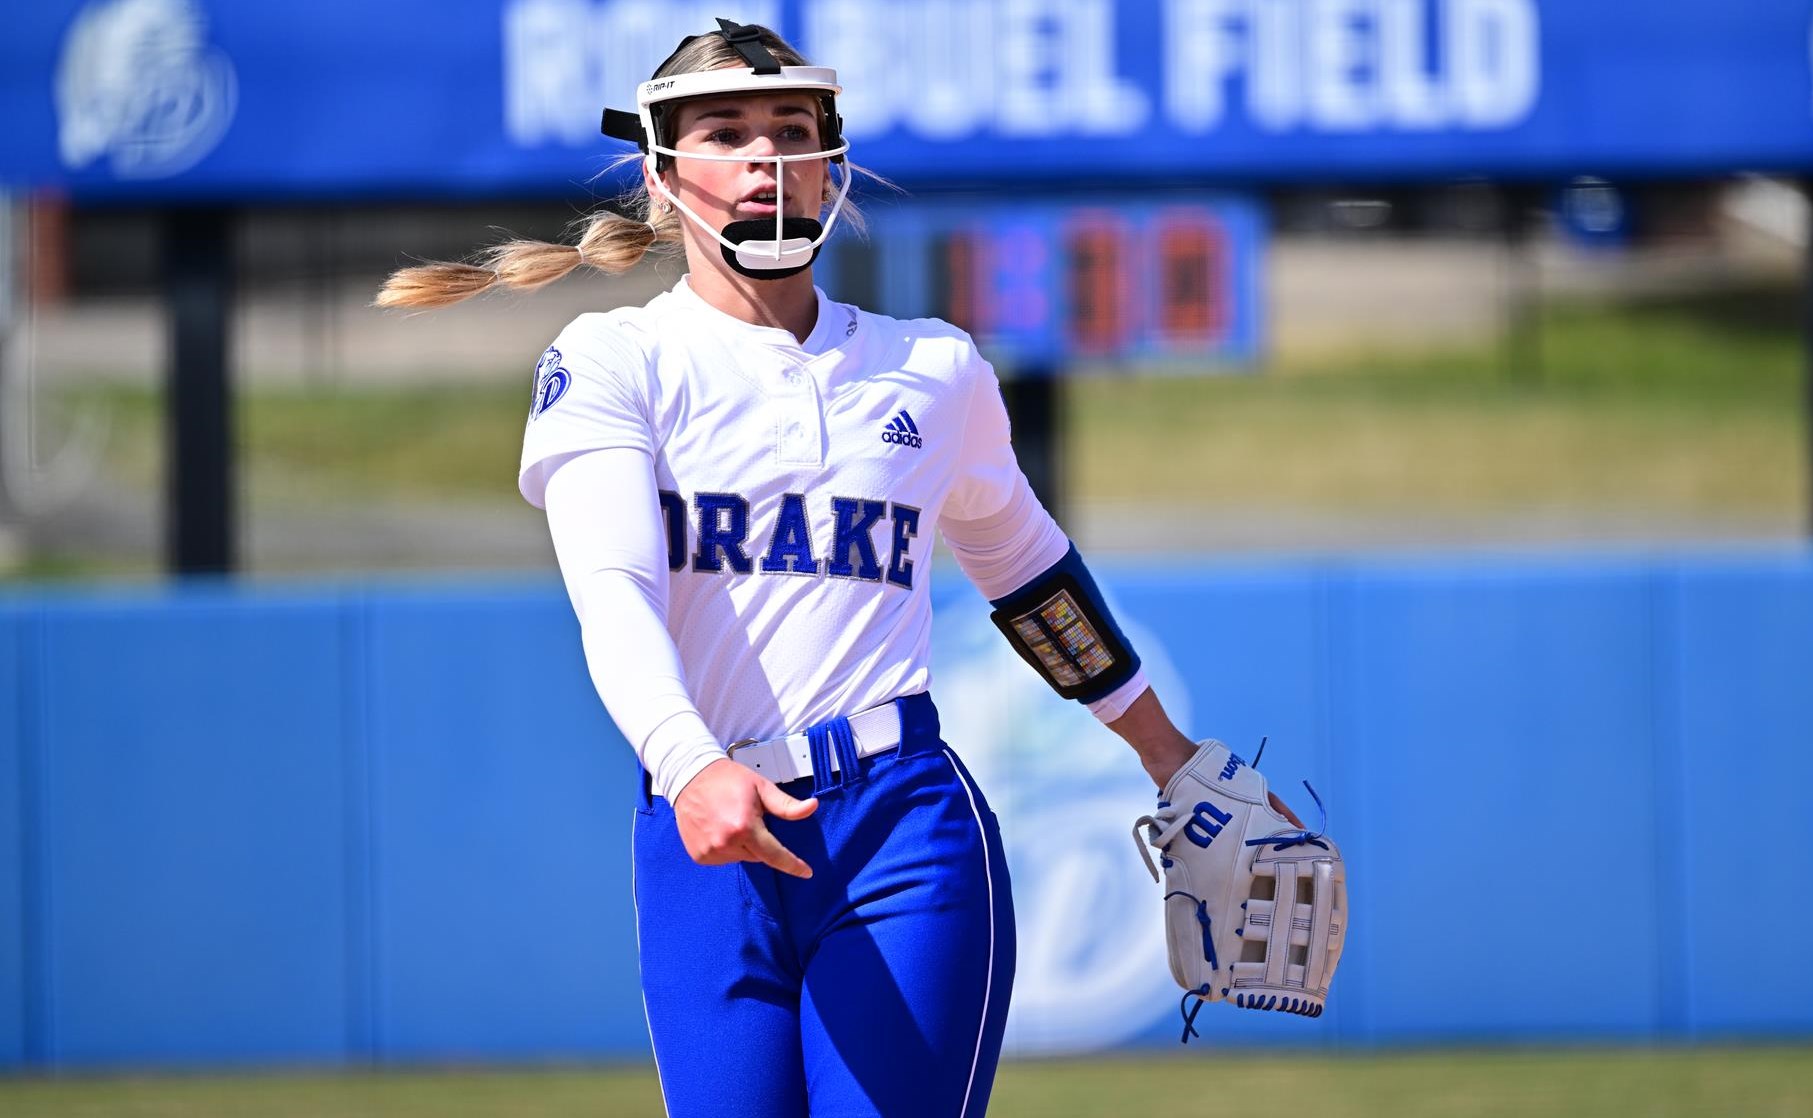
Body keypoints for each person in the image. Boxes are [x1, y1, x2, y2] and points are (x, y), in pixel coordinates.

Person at [378, 19, 1297, 1117]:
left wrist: (1171, 756)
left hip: (899, 824)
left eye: (790, 129)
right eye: (726, 130)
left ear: (830, 164)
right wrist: (687, 764)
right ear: (663, 174)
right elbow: (611, 592)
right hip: (702, 828)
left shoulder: (932, 369)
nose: (765, 155)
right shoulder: (611, 359)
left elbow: (1029, 575)